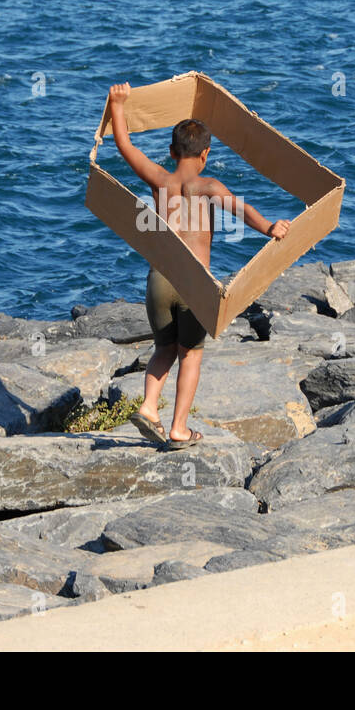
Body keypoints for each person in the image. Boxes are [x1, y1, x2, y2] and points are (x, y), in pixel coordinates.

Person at [105, 81, 290, 448]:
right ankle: (178, 429)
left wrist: (117, 104)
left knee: (164, 349)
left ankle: (148, 408)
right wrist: (271, 227)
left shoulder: (160, 180)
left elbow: (125, 145)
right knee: (191, 355)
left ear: (172, 151)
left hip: (159, 279)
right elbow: (243, 211)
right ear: (205, 154)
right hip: (194, 282)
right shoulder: (208, 185)